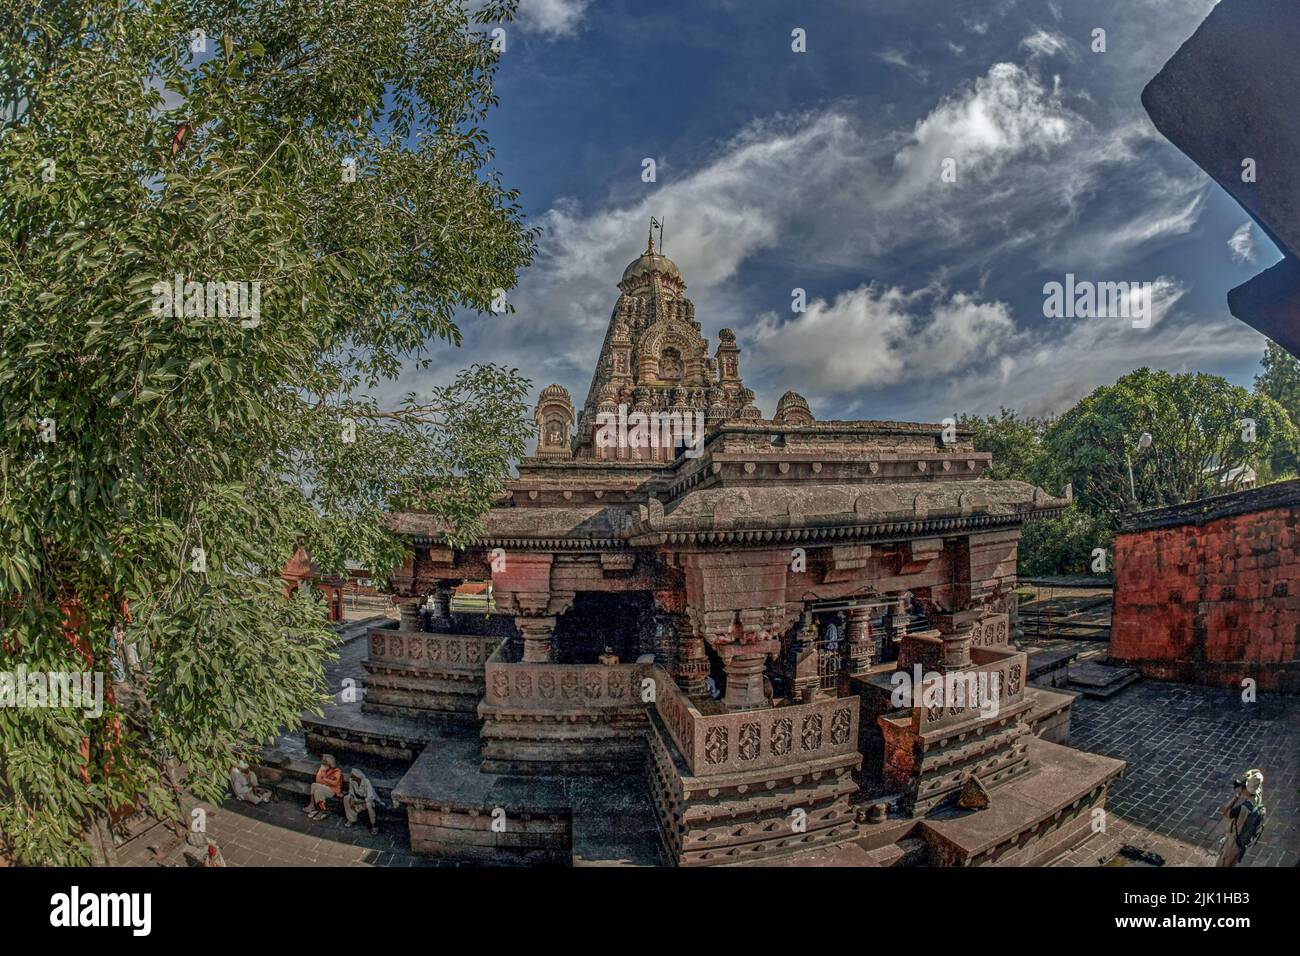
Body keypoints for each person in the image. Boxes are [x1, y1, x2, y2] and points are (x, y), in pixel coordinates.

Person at [1217, 768, 1266, 867]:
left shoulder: (1242, 809)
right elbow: (1257, 772)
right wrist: (1249, 778)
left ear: (1246, 789)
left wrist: (1237, 795)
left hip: (1233, 843)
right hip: (1242, 843)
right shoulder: (1257, 797)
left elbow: (1224, 812)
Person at [343, 768, 382, 835]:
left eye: (353, 775)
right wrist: (352, 799)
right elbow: (351, 791)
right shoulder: (352, 781)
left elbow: (370, 797)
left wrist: (357, 802)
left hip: (368, 800)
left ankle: (374, 825)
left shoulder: (366, 782)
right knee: (346, 798)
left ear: (357, 776)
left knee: (369, 805)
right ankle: (351, 819)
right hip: (358, 799)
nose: (351, 776)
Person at [304, 754, 343, 820]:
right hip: (324, 788)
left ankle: (312, 805)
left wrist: (324, 779)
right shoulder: (323, 769)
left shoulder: (337, 771)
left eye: (325, 762)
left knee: (314, 785)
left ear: (330, 764)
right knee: (318, 791)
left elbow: (334, 783)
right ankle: (322, 811)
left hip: (332, 791)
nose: (323, 763)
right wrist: (323, 772)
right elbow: (318, 780)